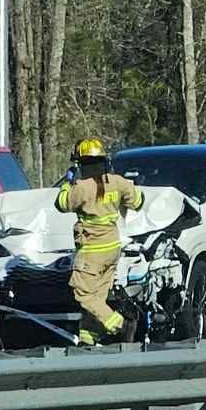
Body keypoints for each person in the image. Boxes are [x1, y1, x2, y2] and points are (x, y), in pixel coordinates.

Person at [56, 137, 144, 345]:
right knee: (97, 297)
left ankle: (121, 325)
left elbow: (61, 204)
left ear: (81, 164)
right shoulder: (118, 182)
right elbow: (138, 202)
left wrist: (67, 184)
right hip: (112, 248)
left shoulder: (81, 187)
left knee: (84, 295)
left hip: (91, 250)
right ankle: (89, 337)